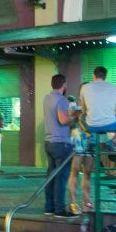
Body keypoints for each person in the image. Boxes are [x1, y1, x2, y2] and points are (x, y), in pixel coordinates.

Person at [42, 75, 75, 218]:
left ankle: (49, 207)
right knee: (61, 178)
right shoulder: (61, 100)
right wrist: (74, 117)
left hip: (49, 141)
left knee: (51, 176)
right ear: (64, 84)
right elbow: (63, 120)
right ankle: (59, 209)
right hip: (61, 143)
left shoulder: (46, 98)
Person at [79, 66, 116, 142]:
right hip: (110, 126)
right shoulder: (114, 87)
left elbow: (83, 111)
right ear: (105, 77)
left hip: (92, 126)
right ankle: (112, 142)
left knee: (81, 116)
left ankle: (91, 137)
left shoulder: (84, 87)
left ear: (94, 75)